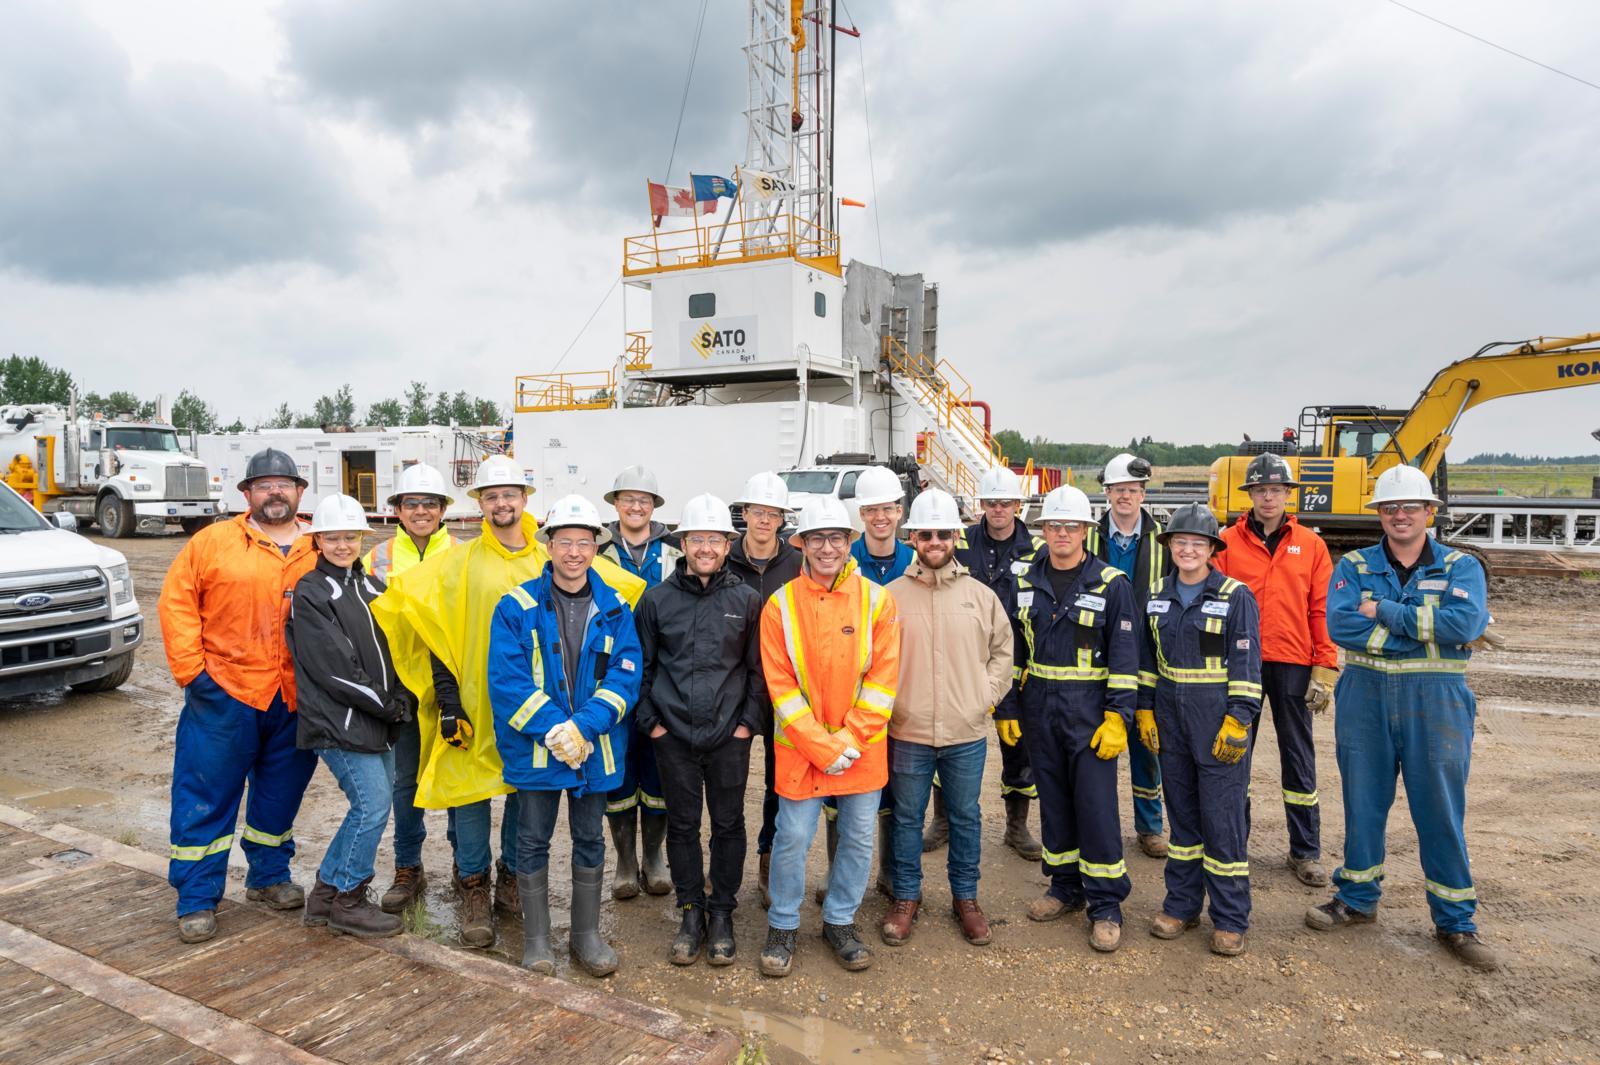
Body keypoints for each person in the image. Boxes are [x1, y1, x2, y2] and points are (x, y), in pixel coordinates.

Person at [372, 456, 644, 949]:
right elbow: (436, 630)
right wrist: (450, 701)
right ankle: (473, 884)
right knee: (472, 793)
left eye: (510, 495)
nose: (502, 503)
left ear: (525, 500)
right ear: (480, 503)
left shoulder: (548, 557)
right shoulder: (458, 562)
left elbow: (611, 599)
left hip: (540, 714)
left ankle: (513, 878)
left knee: (527, 795)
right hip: (478, 704)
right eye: (491, 495)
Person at [1307, 465, 1496, 971]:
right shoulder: (1353, 565)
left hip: (1436, 700)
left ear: (1429, 512)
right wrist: (1423, 625)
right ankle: (1357, 897)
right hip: (1364, 695)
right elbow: (1341, 626)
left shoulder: (1462, 567)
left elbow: (1467, 623)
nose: (1399, 515)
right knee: (1363, 803)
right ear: (1379, 515)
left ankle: (1456, 921)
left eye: (1410, 507)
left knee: (1440, 810)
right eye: (1390, 508)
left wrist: (1386, 611)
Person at [158, 448, 320, 943]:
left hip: (294, 697)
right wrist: (193, 674)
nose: (275, 493)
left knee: (279, 795)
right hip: (225, 694)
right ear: (246, 494)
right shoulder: (213, 543)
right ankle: (197, 897)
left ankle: (268, 877)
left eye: (284, 484)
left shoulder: (320, 545)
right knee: (206, 795)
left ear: (299, 492)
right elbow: (177, 604)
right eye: (264, 485)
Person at [486, 495, 643, 977]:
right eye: (564, 542)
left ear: (596, 548)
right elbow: (508, 680)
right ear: (549, 546)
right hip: (538, 750)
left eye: (584, 542)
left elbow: (627, 674)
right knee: (531, 840)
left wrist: (584, 727)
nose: (574, 552)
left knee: (589, 838)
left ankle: (585, 936)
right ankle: (537, 941)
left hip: (593, 749)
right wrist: (556, 729)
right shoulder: (515, 606)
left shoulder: (616, 608)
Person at [759, 497, 901, 978]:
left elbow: (883, 683)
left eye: (835, 539)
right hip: (803, 749)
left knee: (859, 838)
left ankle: (840, 920)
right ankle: (782, 924)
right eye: (816, 539)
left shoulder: (878, 601)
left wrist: (849, 741)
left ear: (848, 543)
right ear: (801, 545)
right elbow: (780, 686)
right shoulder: (779, 605)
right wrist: (823, 746)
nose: (826, 548)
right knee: (793, 836)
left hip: (861, 748)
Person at [634, 495, 765, 966]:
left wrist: (748, 725)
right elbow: (641, 670)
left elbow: (758, 672)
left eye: (715, 539)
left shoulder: (747, 600)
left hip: (730, 738)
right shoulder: (656, 601)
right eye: (697, 539)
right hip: (674, 739)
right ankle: (692, 911)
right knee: (684, 826)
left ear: (727, 545)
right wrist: (653, 726)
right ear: (683, 543)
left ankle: (723, 913)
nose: (706, 548)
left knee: (729, 826)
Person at [1008, 484, 1138, 953]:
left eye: (1071, 526)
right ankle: (1064, 885)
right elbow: (1013, 650)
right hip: (1039, 706)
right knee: (1055, 800)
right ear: (1042, 530)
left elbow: (1126, 656)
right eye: (1053, 525)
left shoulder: (1111, 583)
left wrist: (1118, 716)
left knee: (1096, 806)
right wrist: (1008, 708)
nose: (1061, 533)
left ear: (1086, 530)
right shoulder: (1023, 579)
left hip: (1089, 711)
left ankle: (1105, 903)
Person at [881, 490, 1012, 948]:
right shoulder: (889, 597)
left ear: (956, 536)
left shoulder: (980, 596)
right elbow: (874, 662)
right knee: (906, 818)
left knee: (965, 817)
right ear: (912, 537)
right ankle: (906, 898)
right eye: (925, 533)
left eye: (943, 533)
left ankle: (966, 898)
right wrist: (893, 707)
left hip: (966, 732)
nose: (934, 540)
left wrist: (983, 698)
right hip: (908, 732)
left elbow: (1002, 654)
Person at [1138, 504, 1263, 957]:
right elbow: (1147, 662)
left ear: (1212, 549)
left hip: (1217, 720)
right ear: (1169, 547)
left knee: (1223, 821)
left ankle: (1230, 917)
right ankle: (1182, 904)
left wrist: (1240, 718)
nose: (1188, 549)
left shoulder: (1235, 595)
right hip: (1171, 719)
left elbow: (1248, 664)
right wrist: (1145, 711)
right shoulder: (1154, 595)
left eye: (1198, 543)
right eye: (1180, 542)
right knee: (1184, 817)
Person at [289, 495, 414, 939]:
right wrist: (390, 705)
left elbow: (396, 650)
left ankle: (325, 893)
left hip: (372, 719)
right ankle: (350, 899)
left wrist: (401, 695)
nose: (343, 545)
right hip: (339, 722)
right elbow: (335, 669)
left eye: (350, 536)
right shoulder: (311, 592)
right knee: (373, 806)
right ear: (317, 540)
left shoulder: (370, 586)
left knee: (368, 806)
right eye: (333, 537)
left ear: (362, 537)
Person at [1214, 453, 1337, 887]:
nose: (1268, 497)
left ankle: (1305, 851)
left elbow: (1321, 608)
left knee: (1299, 757)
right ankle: (1234, 844)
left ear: (1287, 494)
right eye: (1260, 490)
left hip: (1293, 662)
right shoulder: (1226, 542)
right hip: (1239, 665)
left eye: (1276, 490)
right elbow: (1213, 605)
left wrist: (1325, 664)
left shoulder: (1312, 545)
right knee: (1234, 757)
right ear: (1250, 495)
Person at [362, 463, 460, 915]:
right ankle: (408, 867)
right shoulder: (376, 559)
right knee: (406, 783)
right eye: (412, 503)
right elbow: (365, 628)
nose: (421, 511)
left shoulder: (463, 553)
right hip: (402, 691)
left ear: (443, 510)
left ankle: (468, 864)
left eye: (430, 503)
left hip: (454, 687)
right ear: (397, 510)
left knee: (459, 780)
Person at [952, 467, 1044, 862]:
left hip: (1017, 660)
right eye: (991, 503)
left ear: (1018, 505)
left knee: (1018, 744)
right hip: (963, 657)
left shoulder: (1037, 550)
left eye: (1005, 502)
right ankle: (943, 820)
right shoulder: (961, 543)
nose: (998, 509)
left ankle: (1016, 825)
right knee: (951, 736)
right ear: (981, 505)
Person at [1086, 453, 1172, 859]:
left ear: (1143, 494)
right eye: (1119, 490)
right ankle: (1094, 823)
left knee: (1146, 742)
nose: (1126, 497)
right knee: (1094, 742)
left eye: (1133, 491)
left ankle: (1149, 826)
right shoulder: (1088, 535)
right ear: (1107, 493)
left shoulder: (1164, 538)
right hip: (1094, 649)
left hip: (1146, 652)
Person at [599, 464, 678, 900]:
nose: (635, 506)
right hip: (610, 678)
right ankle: (626, 862)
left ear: (654, 506)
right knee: (618, 773)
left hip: (663, 678)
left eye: (643, 500)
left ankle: (654, 858)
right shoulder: (597, 548)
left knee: (660, 770)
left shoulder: (671, 551)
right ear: (615, 503)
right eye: (627, 498)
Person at [726, 471, 803, 908]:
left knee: (779, 779)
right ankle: (726, 863)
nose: (764, 520)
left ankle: (768, 857)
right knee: (730, 781)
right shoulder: (724, 558)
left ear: (781, 518)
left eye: (773, 513)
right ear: (745, 513)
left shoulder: (796, 564)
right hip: (732, 685)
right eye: (757, 511)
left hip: (781, 688)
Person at [849, 466, 915, 585]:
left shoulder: (914, 560)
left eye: (887, 509)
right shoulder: (846, 558)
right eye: (871, 510)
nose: (880, 517)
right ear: (862, 514)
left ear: (899, 512)